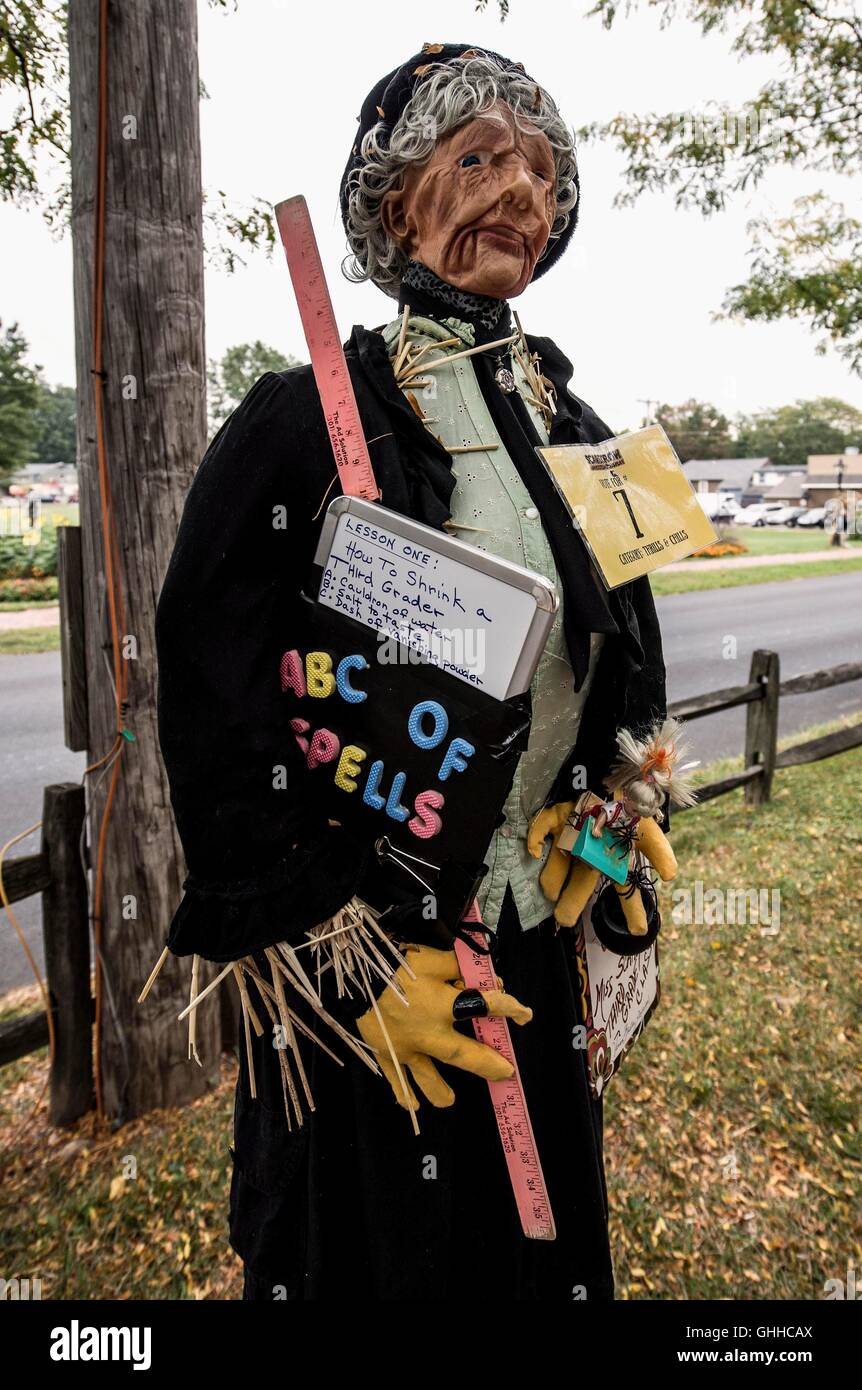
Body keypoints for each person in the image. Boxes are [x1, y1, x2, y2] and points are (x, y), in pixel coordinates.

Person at [155, 42, 668, 1301]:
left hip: (531, 954)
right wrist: (345, 960)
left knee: (537, 1264)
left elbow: (623, 681)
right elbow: (216, 700)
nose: (521, 193)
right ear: (395, 206)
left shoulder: (585, 435)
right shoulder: (301, 421)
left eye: (543, 172)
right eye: (478, 160)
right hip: (372, 983)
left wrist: (616, 824)